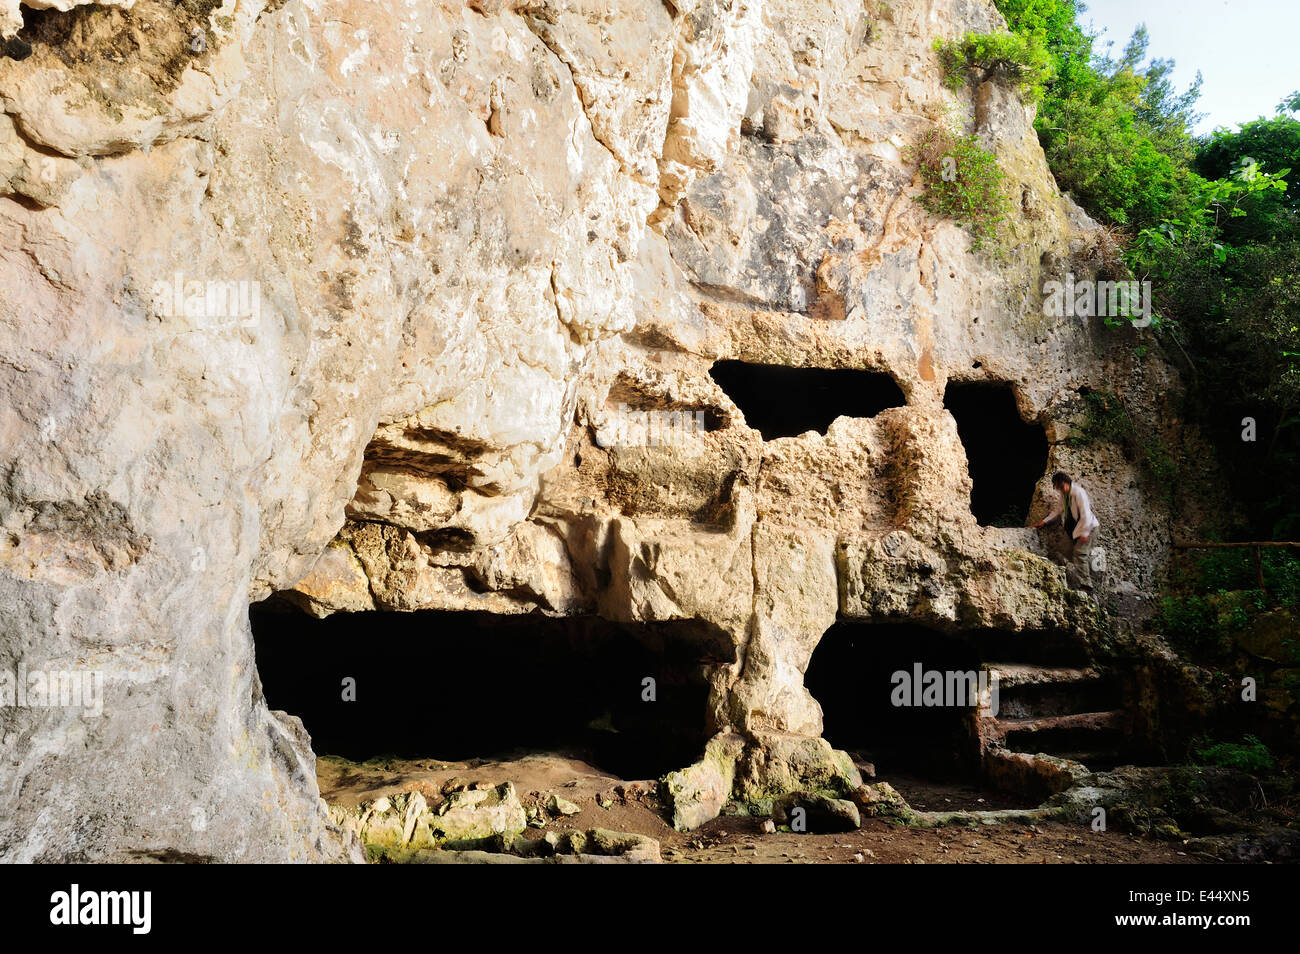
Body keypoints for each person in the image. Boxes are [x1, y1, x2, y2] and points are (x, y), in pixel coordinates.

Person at [1033, 471, 1100, 590]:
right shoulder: (1065, 495)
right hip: (1075, 530)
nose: (1060, 490)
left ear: (1066, 482)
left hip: (1089, 528)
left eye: (1060, 486)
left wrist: (1084, 533)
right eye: (1058, 488)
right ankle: (1085, 566)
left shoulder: (1079, 493)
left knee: (1079, 553)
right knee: (1064, 549)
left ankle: (1086, 585)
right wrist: (1044, 521)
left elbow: (1086, 515)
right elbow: (1058, 510)